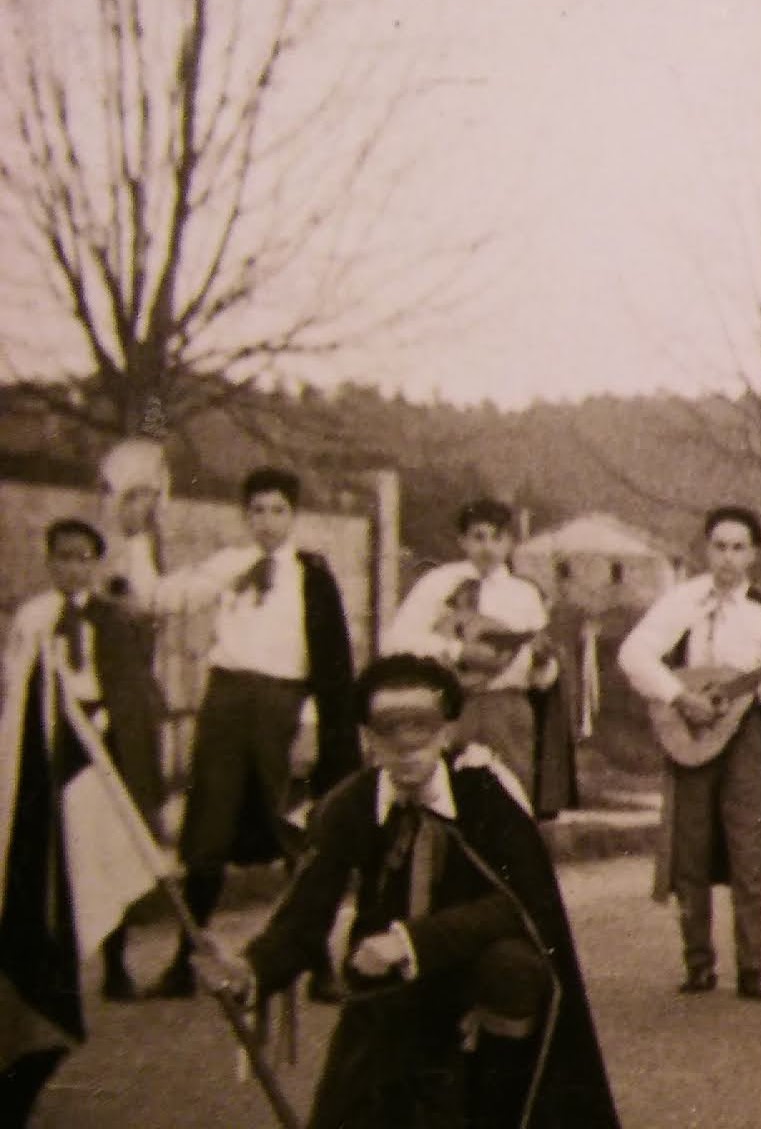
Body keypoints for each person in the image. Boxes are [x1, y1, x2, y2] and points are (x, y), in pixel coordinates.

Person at [199, 654, 618, 1128]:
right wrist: (251, 970)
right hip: (387, 984)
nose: (407, 754)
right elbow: (305, 915)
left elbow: (521, 904)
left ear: (445, 733)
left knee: (514, 969)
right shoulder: (350, 806)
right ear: (369, 741)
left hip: (473, 976)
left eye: (422, 738)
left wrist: (413, 941)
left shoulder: (485, 794)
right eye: (389, 740)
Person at [116, 467, 357, 1001]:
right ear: (244, 515)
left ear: (293, 515)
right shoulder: (227, 566)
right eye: (257, 511)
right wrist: (136, 537)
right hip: (225, 707)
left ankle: (319, 967)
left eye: (278, 510)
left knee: (298, 835)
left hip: (284, 710)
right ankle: (185, 963)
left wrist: (311, 728)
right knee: (208, 832)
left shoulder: (312, 574)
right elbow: (158, 597)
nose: (267, 522)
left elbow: (330, 663)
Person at [0, 519, 165, 1122]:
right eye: (62, 558)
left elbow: (131, 686)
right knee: (55, 855)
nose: (72, 568)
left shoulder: (113, 619)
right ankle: (60, 947)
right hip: (51, 747)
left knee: (107, 848)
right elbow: (17, 680)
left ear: (97, 564)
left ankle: (117, 959)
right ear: (49, 562)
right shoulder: (34, 617)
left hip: (101, 740)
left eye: (83, 558)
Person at [617, 505, 761, 1000]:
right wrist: (680, 696)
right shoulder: (680, 602)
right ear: (706, 549)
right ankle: (698, 963)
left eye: (738, 547)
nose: (727, 557)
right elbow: (632, 654)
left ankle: (752, 968)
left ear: (754, 554)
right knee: (691, 849)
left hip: (745, 735)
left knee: (749, 847)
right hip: (692, 731)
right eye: (719, 546)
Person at [387, 498, 572, 815]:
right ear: (462, 541)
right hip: (451, 706)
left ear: (511, 542)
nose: (488, 547)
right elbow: (395, 642)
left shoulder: (524, 594)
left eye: (497, 538)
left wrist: (543, 664)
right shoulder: (437, 583)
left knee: (512, 802)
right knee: (444, 801)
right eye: (478, 537)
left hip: (507, 708)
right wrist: (458, 651)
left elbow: (541, 679)